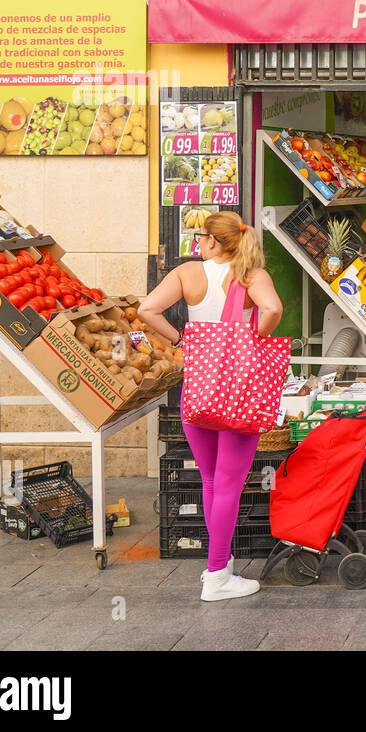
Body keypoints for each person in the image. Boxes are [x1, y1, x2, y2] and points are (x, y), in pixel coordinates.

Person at [138, 211, 283, 602]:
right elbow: (272, 310)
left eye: (201, 236)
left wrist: (182, 340)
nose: (198, 242)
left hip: (197, 393)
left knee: (210, 480)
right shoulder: (252, 275)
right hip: (238, 394)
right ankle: (218, 575)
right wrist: (255, 338)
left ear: (214, 241)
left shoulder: (187, 274)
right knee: (230, 484)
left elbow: (147, 310)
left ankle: (218, 566)